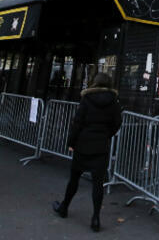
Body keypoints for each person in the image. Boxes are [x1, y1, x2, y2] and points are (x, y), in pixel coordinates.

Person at [52, 72, 122, 232]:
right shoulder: (114, 101)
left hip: (83, 143)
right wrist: (106, 135)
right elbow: (117, 123)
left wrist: (71, 142)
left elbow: (77, 122)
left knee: (74, 179)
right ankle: (96, 218)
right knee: (98, 184)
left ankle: (64, 207)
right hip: (101, 146)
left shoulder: (87, 99)